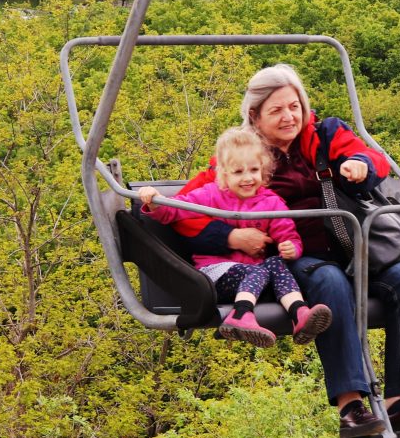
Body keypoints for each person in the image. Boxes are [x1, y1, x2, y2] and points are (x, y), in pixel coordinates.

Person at [171, 65, 400, 438]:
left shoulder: (325, 135)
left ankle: (399, 403)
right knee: (329, 282)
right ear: (255, 116)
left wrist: (360, 167)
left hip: (355, 247)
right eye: (276, 111)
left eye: (294, 106)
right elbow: (188, 206)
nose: (289, 117)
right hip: (294, 256)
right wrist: (232, 237)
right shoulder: (244, 154)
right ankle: (351, 406)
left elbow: (372, 160)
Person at [139, 127, 332, 348]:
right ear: (224, 173)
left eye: (254, 170)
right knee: (257, 270)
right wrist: (154, 201)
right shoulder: (209, 195)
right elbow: (173, 211)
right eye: (238, 172)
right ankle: (240, 315)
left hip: (254, 280)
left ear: (264, 170)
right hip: (216, 274)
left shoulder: (271, 201)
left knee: (276, 263)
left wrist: (292, 248)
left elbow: (287, 232)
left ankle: (300, 314)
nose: (248, 178)